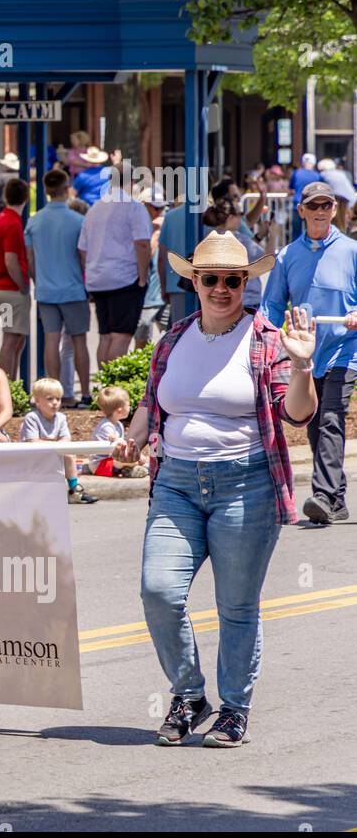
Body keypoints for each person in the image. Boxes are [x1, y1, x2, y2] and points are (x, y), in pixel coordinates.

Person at [113, 232, 316, 748]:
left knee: (236, 607)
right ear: (194, 282)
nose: (222, 288)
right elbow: (149, 405)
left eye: (233, 279)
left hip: (245, 483)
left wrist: (302, 365)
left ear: (245, 283)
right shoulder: (173, 338)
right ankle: (188, 693)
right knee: (159, 591)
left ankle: (234, 708)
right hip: (176, 482)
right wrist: (132, 440)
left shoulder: (266, 339)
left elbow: (297, 413)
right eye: (212, 279)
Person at [262, 181, 357, 524]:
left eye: (326, 206)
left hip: (345, 351)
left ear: (334, 210)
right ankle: (337, 499)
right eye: (313, 206)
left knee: (331, 417)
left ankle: (322, 494)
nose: (320, 212)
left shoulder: (351, 250)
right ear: (300, 210)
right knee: (315, 425)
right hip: (306, 354)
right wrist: (267, 340)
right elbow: (272, 305)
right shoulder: (288, 256)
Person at [25, 169, 91, 407]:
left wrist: (38, 279)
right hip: (73, 288)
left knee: (51, 340)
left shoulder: (34, 221)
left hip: (46, 290)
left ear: (45, 190)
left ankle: (54, 395)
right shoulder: (78, 221)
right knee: (79, 341)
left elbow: (30, 259)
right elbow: (84, 258)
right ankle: (85, 393)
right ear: (66, 189)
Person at [78, 182, 151, 369]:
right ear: (133, 182)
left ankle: (104, 388)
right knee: (121, 335)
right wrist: (143, 277)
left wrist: (91, 271)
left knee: (105, 336)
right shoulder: (134, 207)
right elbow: (142, 243)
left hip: (98, 279)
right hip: (125, 278)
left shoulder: (94, 208)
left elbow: (83, 249)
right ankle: (113, 387)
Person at [19, 376, 97, 504]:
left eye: (58, 399)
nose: (55, 402)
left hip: (51, 452)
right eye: (50, 399)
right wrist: (56, 445)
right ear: (37, 401)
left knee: (69, 453)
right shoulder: (32, 417)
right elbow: (33, 442)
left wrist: (56, 446)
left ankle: (74, 489)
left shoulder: (60, 418)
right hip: (32, 457)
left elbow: (66, 439)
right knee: (64, 450)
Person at [0, 177, 30, 378]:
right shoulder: (13, 223)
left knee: (15, 338)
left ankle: (9, 384)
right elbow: (11, 259)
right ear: (26, 198)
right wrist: (23, 285)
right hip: (11, 290)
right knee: (11, 340)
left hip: (0, 288)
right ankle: (6, 386)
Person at [201, 198, 265, 309]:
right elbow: (264, 257)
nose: (242, 217)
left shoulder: (208, 237)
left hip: (216, 300)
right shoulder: (240, 239)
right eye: (240, 214)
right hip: (247, 299)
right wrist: (273, 234)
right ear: (230, 217)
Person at [84, 385, 148, 478]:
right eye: (128, 405)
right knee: (133, 460)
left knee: (127, 459)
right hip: (100, 465)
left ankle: (129, 469)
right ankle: (133, 469)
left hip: (111, 460)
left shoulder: (118, 424)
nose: (130, 407)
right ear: (120, 410)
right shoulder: (106, 427)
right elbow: (117, 446)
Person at [134, 187, 168, 348]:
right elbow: (145, 257)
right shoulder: (137, 226)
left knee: (171, 339)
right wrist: (155, 234)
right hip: (144, 296)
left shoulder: (164, 224)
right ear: (143, 205)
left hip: (162, 294)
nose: (160, 211)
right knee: (141, 341)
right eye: (156, 207)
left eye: (162, 207)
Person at [316, 157, 357, 232]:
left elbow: (319, 190)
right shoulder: (340, 173)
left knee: (339, 224)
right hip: (352, 201)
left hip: (342, 203)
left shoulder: (323, 174)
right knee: (348, 225)